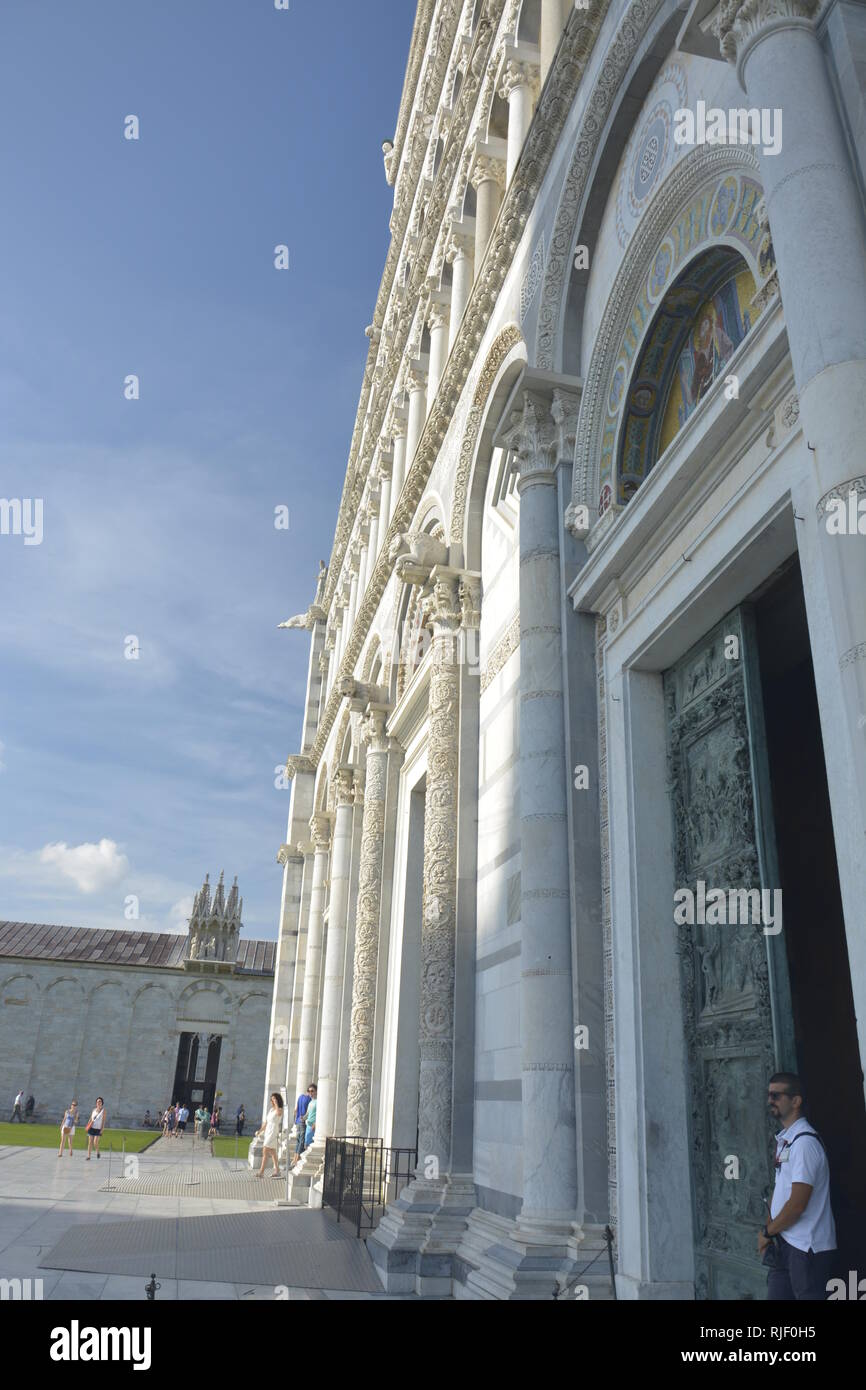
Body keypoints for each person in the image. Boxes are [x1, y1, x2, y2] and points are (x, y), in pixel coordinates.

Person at [758, 1072, 837, 1300]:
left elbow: (797, 1205)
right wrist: (771, 1230)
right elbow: (779, 1189)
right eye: (768, 1095)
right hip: (786, 1242)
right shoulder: (787, 1140)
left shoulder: (805, 1144)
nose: (769, 1100)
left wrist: (766, 1232)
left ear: (796, 1101)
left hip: (806, 1247)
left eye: (776, 1095)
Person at [255, 1093, 284, 1178]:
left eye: (274, 1099)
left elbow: (278, 1114)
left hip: (273, 1132)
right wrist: (260, 1131)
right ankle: (277, 1171)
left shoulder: (280, 1109)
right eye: (271, 1099)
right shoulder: (271, 1110)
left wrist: (276, 1103)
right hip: (268, 1131)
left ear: (277, 1099)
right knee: (272, 1152)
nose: (272, 1101)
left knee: (265, 1150)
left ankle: (261, 1172)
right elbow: (266, 1122)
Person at [292, 1084, 314, 1163]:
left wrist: (295, 1120)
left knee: (298, 1141)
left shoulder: (300, 1097)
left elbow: (295, 1110)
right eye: (310, 1091)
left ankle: (294, 1159)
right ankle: (296, 1159)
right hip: (303, 1121)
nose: (310, 1093)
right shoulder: (309, 1099)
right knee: (301, 1141)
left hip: (297, 1121)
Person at [303, 1087, 317, 1152]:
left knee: (309, 1145)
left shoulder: (318, 1101)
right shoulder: (310, 1102)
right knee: (306, 1144)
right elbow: (307, 1113)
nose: (310, 1093)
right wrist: (302, 1118)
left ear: (316, 1091)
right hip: (308, 1125)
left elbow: (319, 1113)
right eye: (309, 1091)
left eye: (312, 1091)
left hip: (313, 1126)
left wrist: (315, 1124)